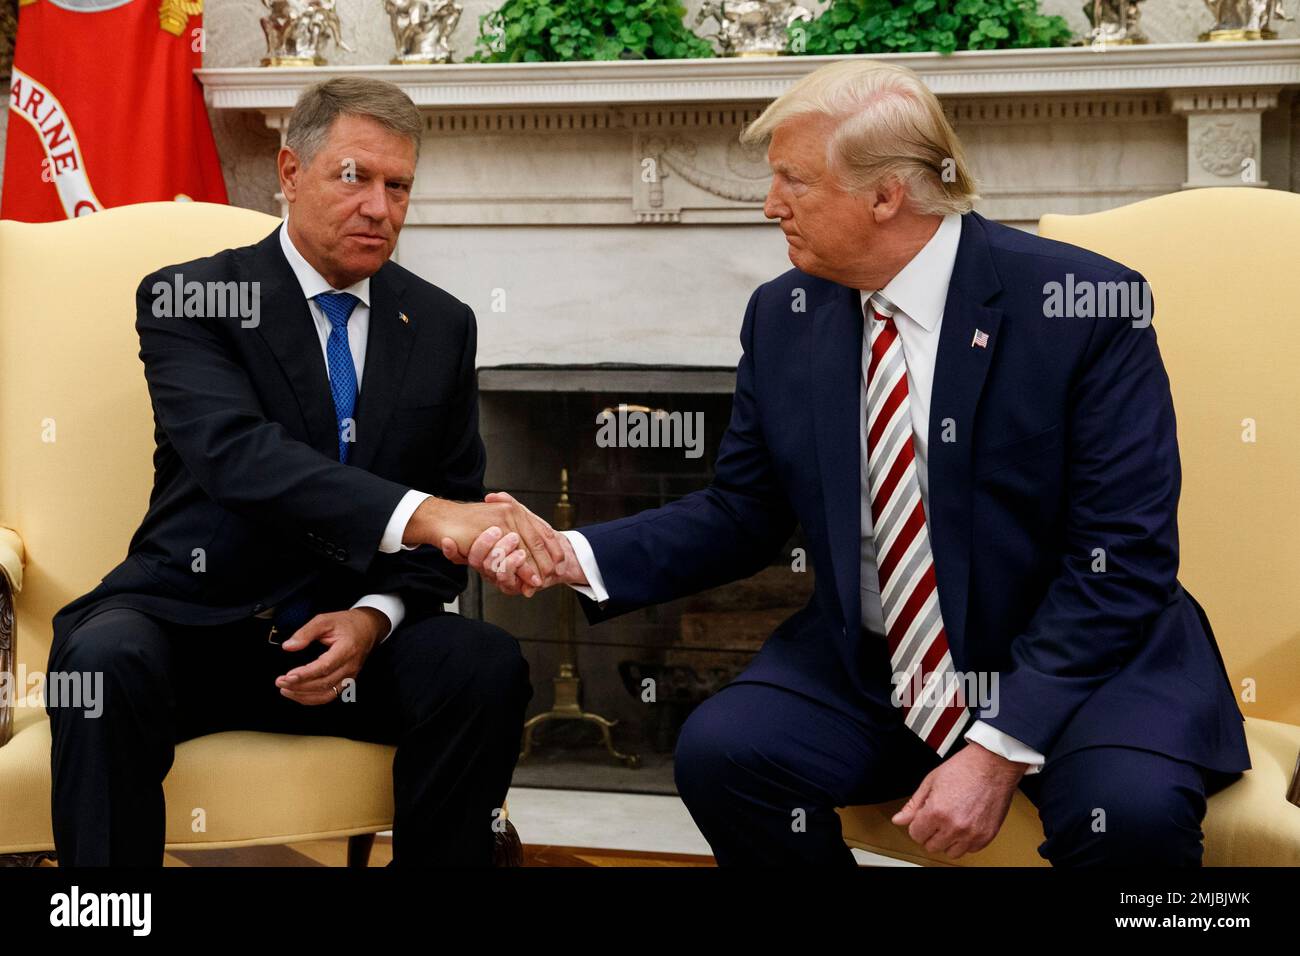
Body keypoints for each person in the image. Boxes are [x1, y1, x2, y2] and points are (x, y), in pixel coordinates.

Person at [448, 60, 1251, 866]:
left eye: (793, 181)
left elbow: (1123, 558)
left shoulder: (1083, 305)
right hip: (880, 670)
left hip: (1081, 669)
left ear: (886, 195)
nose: (770, 206)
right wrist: (572, 554)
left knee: (1134, 818)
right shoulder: (786, 315)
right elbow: (742, 513)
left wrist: (1000, 747)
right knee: (726, 753)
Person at [46, 76, 566, 866]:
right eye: (355, 177)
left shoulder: (439, 323)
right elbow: (239, 458)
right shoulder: (197, 298)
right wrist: (429, 517)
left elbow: (455, 504)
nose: (380, 208)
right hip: (194, 622)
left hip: (348, 639)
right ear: (290, 173)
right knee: (103, 664)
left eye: (399, 187)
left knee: (483, 664)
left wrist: (374, 616)